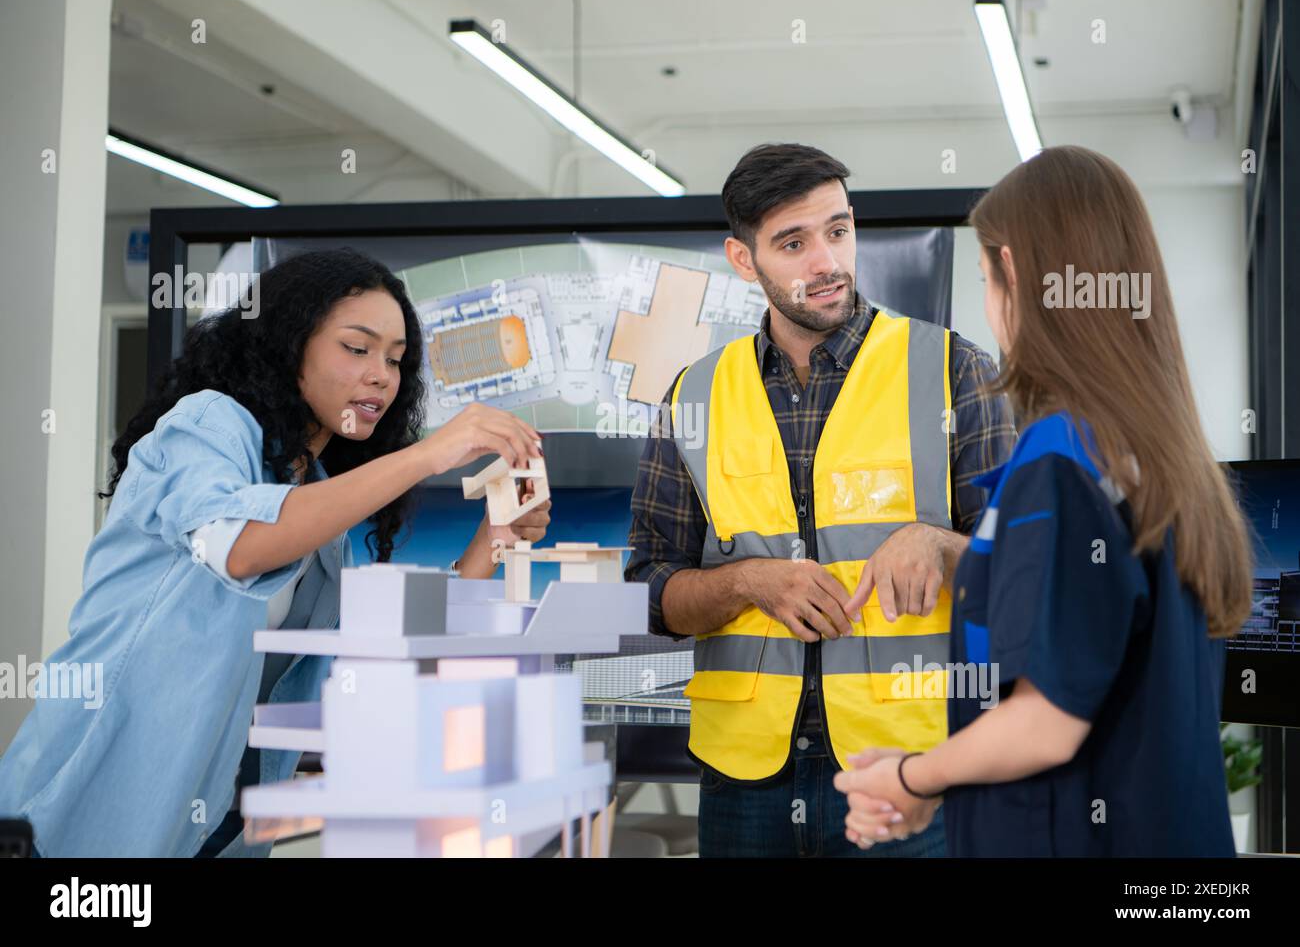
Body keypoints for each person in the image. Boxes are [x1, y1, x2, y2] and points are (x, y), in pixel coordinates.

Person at [0, 248, 549, 857]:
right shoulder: (209, 426)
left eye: (395, 360)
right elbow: (238, 546)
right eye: (357, 348)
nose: (382, 376)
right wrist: (428, 454)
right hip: (92, 812)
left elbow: (377, 661)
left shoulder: (312, 494)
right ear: (291, 344)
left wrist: (496, 538)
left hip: (220, 825)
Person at [834, 145, 1252, 857]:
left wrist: (911, 775)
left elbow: (1047, 721)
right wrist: (937, 788)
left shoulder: (1060, 457)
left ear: (1016, 275)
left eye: (985, 280)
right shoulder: (1161, 454)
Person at [625, 143, 1016, 857]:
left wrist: (939, 543)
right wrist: (745, 582)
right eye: (794, 243)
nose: (825, 262)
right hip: (744, 778)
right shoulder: (693, 396)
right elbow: (652, 590)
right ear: (743, 260)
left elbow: (1023, 564)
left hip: (905, 768)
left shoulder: (952, 369)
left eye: (838, 231)